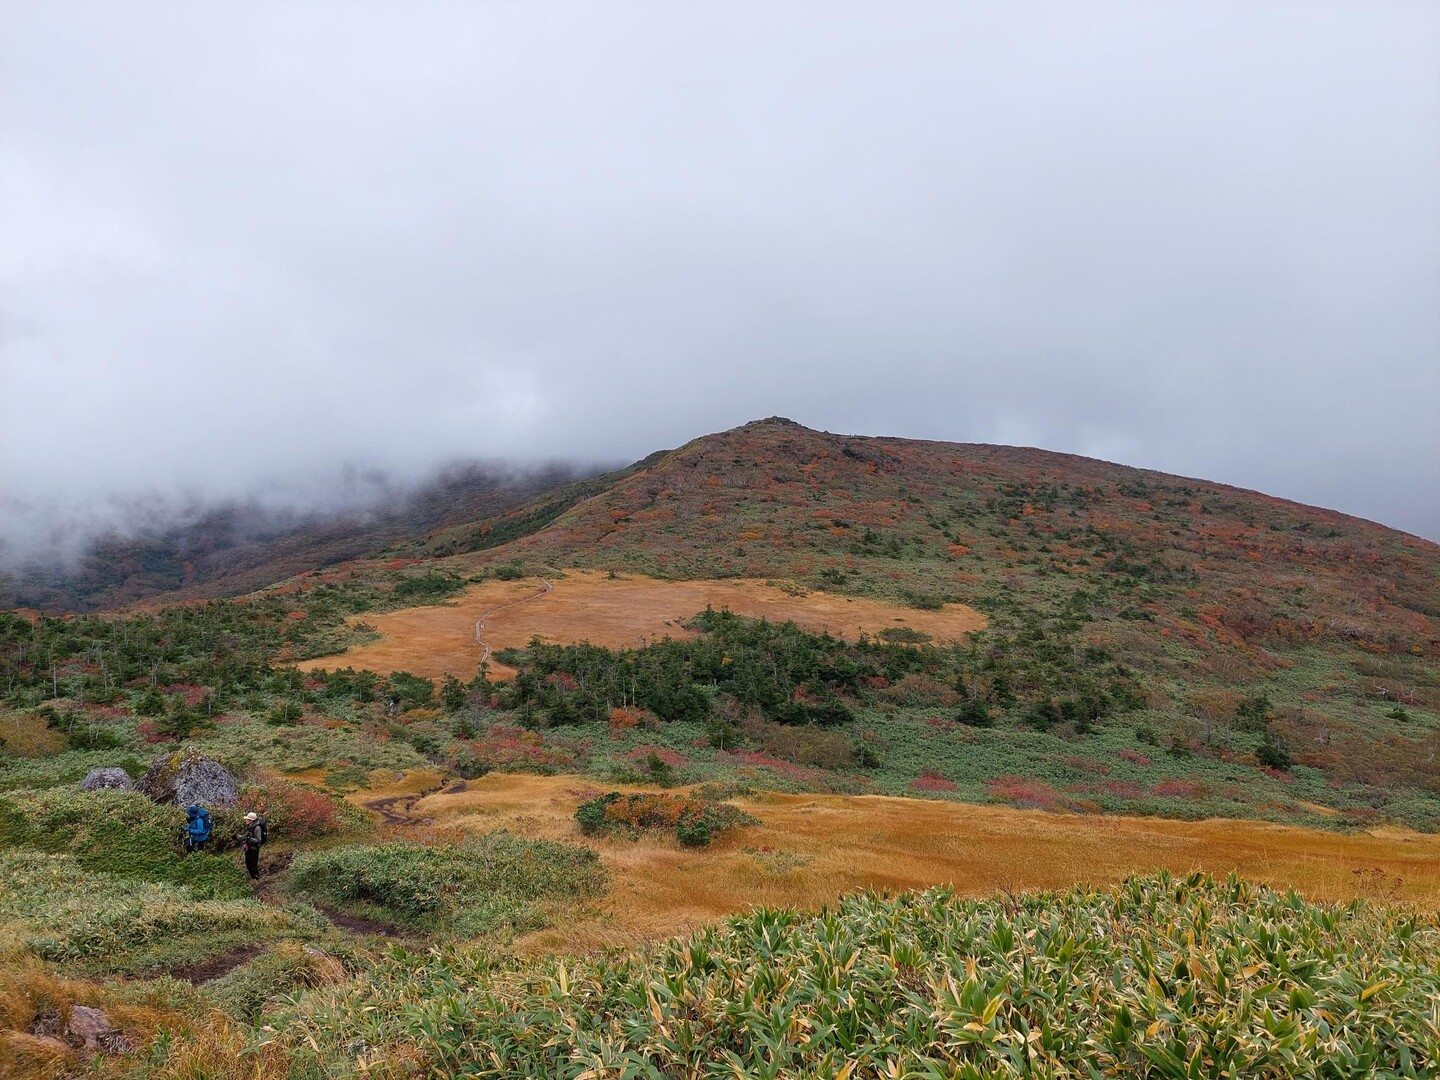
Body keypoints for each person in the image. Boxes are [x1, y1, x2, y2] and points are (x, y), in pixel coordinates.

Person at [240, 811, 266, 880]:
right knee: (248, 864)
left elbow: (259, 840)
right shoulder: (249, 827)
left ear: (251, 820)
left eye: (247, 819)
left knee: (253, 865)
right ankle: (254, 878)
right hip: (249, 849)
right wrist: (237, 837)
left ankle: (256, 878)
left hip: (254, 849)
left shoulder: (257, 828)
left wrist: (250, 839)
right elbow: (245, 836)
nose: (246, 820)